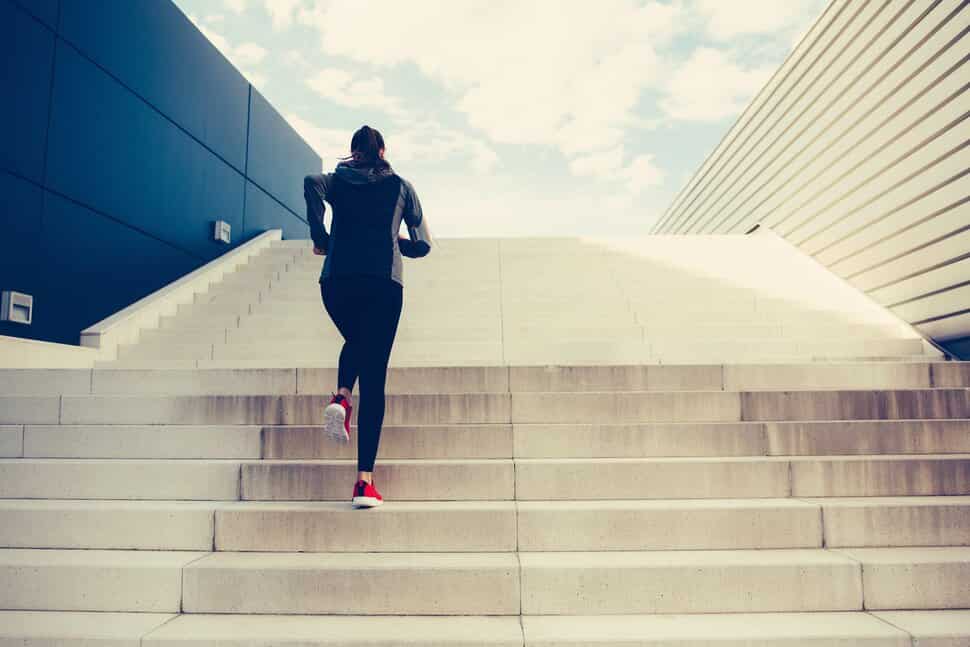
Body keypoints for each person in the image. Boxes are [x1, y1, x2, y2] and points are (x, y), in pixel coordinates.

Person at [303, 125, 433, 509]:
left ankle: (342, 397)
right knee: (374, 378)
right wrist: (400, 244)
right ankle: (364, 483)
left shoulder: (336, 181)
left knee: (357, 340)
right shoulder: (401, 186)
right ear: (384, 150)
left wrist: (320, 237)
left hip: (336, 282)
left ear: (352, 152)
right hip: (382, 283)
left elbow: (311, 181)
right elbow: (424, 242)